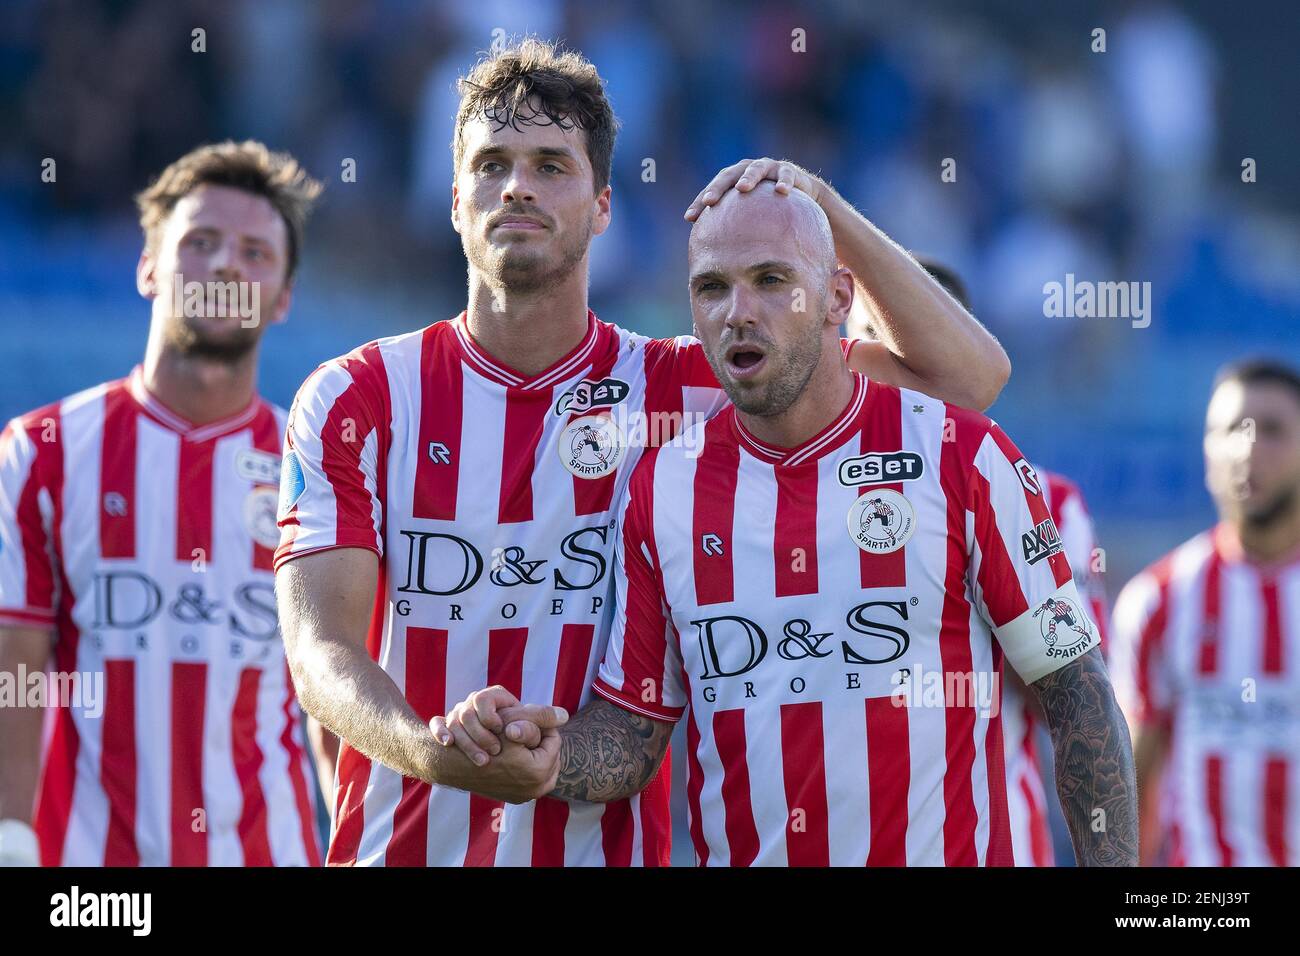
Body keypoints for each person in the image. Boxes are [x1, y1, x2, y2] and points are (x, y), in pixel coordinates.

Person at [274, 38, 1012, 867]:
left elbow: (965, 383)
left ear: (602, 207)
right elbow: (319, 652)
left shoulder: (686, 389)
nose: (518, 184)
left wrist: (819, 206)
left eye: (553, 164)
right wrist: (430, 750)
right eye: (493, 164)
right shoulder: (359, 397)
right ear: (454, 200)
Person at [437, 181, 1137, 866]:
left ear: (837, 298)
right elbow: (635, 729)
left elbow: (1075, 688)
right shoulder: (663, 488)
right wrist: (549, 756)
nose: (739, 312)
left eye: (772, 280)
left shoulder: (960, 455)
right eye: (712, 288)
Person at [0, 141, 330, 867]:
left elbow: (338, 691)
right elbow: (14, 673)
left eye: (254, 252)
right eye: (200, 242)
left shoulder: (318, 466)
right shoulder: (44, 450)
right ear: (150, 267)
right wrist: (13, 844)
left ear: (282, 297)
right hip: (88, 884)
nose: (224, 266)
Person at [850, 258, 1112, 866]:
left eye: (915, 352)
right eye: (871, 346)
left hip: (999, 842)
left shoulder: (1043, 499)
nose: (891, 372)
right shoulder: (792, 494)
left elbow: (1072, 697)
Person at [1112, 359, 1300, 866]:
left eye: (1273, 431)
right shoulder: (1160, 599)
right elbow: (1129, 788)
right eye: (1227, 431)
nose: (1246, 450)